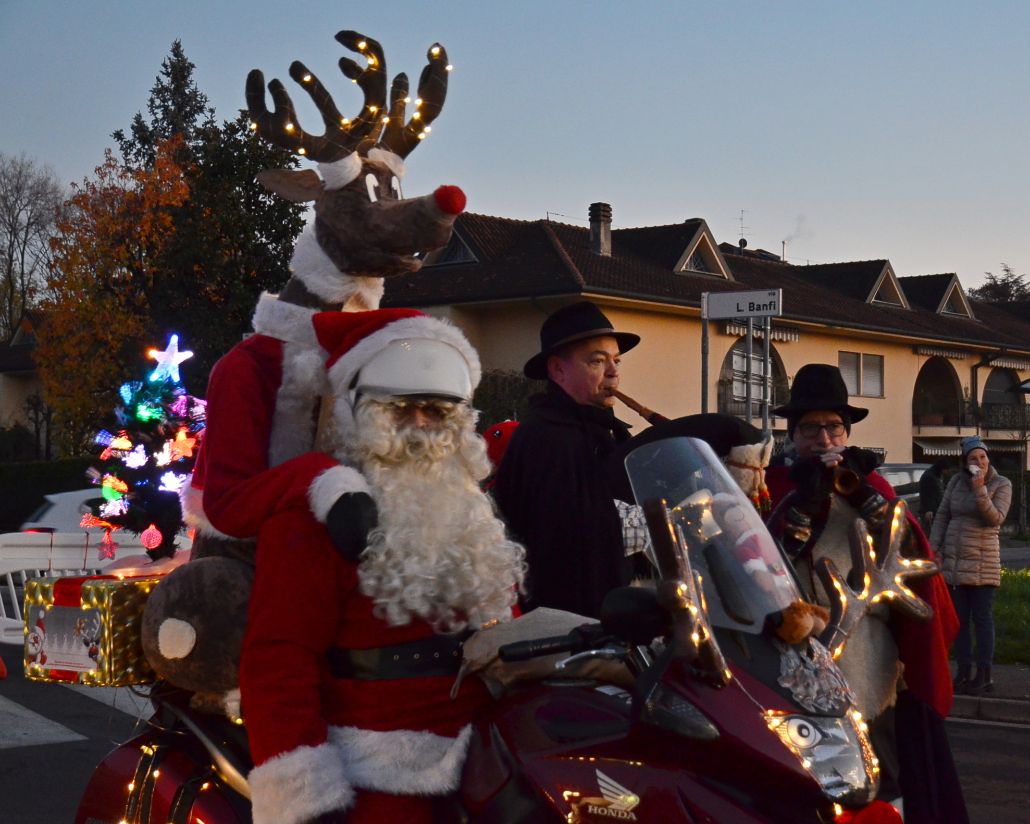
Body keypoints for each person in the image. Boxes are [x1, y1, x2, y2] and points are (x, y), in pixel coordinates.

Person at [239, 308, 526, 823]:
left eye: (435, 411)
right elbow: (278, 663)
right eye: (399, 409)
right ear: (358, 413)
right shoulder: (311, 522)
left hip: (489, 755)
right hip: (376, 770)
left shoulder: (469, 510)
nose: (419, 426)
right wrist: (307, 800)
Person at [764, 363, 964, 823]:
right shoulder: (772, 486)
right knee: (807, 770)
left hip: (868, 652)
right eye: (811, 427)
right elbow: (764, 557)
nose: (824, 437)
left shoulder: (871, 484)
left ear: (847, 432)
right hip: (792, 647)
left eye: (833, 427)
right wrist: (803, 503)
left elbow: (915, 560)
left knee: (878, 762)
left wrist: (869, 504)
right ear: (793, 434)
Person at [493, 301, 640, 618]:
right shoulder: (548, 439)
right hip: (565, 624)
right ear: (558, 370)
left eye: (616, 360)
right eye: (597, 361)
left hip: (607, 614)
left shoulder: (602, 431)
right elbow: (568, 540)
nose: (614, 372)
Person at [929, 435, 1011, 695]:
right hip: (954, 562)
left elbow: (994, 518)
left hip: (983, 562)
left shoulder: (1001, 484)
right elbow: (943, 515)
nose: (979, 462)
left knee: (982, 619)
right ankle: (963, 672)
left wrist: (979, 489)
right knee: (959, 621)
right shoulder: (955, 482)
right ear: (964, 462)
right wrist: (933, 548)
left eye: (983, 457)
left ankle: (984, 674)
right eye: (973, 458)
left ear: (988, 458)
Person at [919, 458, 950, 532]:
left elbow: (939, 491)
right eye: (946, 470)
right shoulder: (929, 476)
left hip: (937, 509)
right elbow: (926, 494)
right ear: (942, 468)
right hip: (931, 511)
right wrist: (928, 509)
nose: (947, 472)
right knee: (931, 532)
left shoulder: (937, 475)